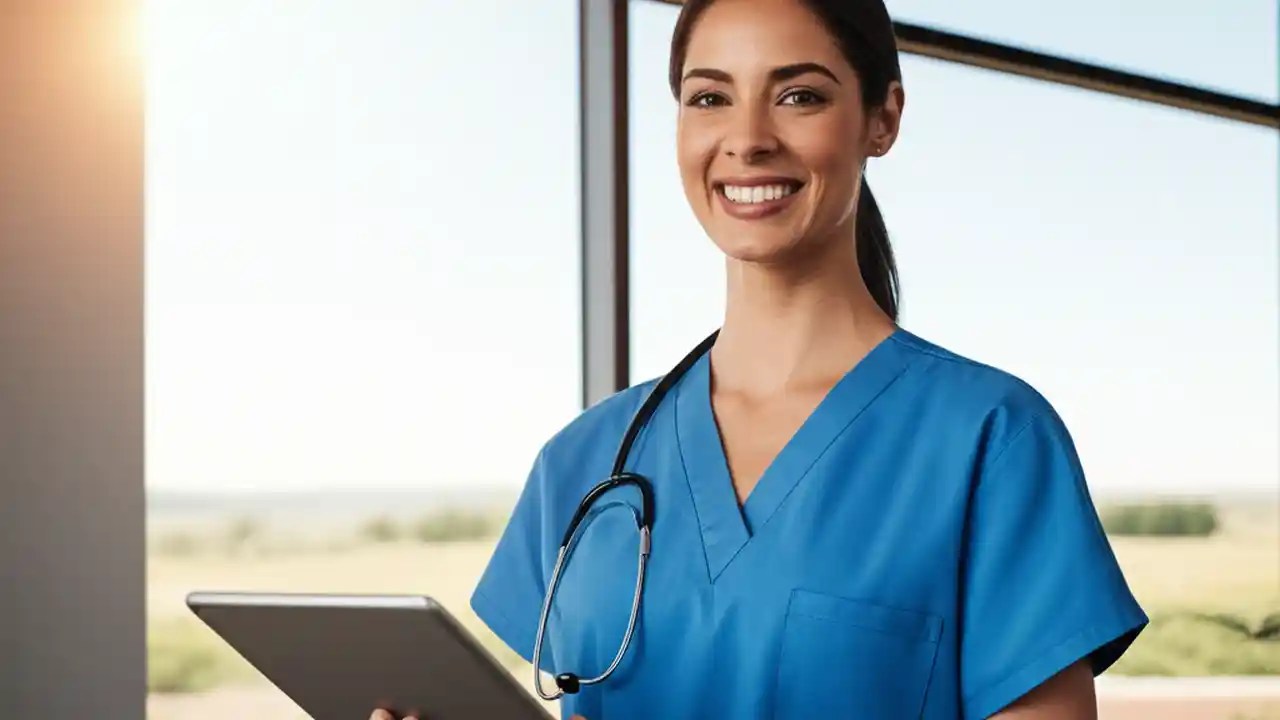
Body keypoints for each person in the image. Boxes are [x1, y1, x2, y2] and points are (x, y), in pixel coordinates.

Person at [373, 0, 1146, 717]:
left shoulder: (990, 439)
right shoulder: (586, 459)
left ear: (883, 117)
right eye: (710, 98)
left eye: (799, 95)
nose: (746, 139)